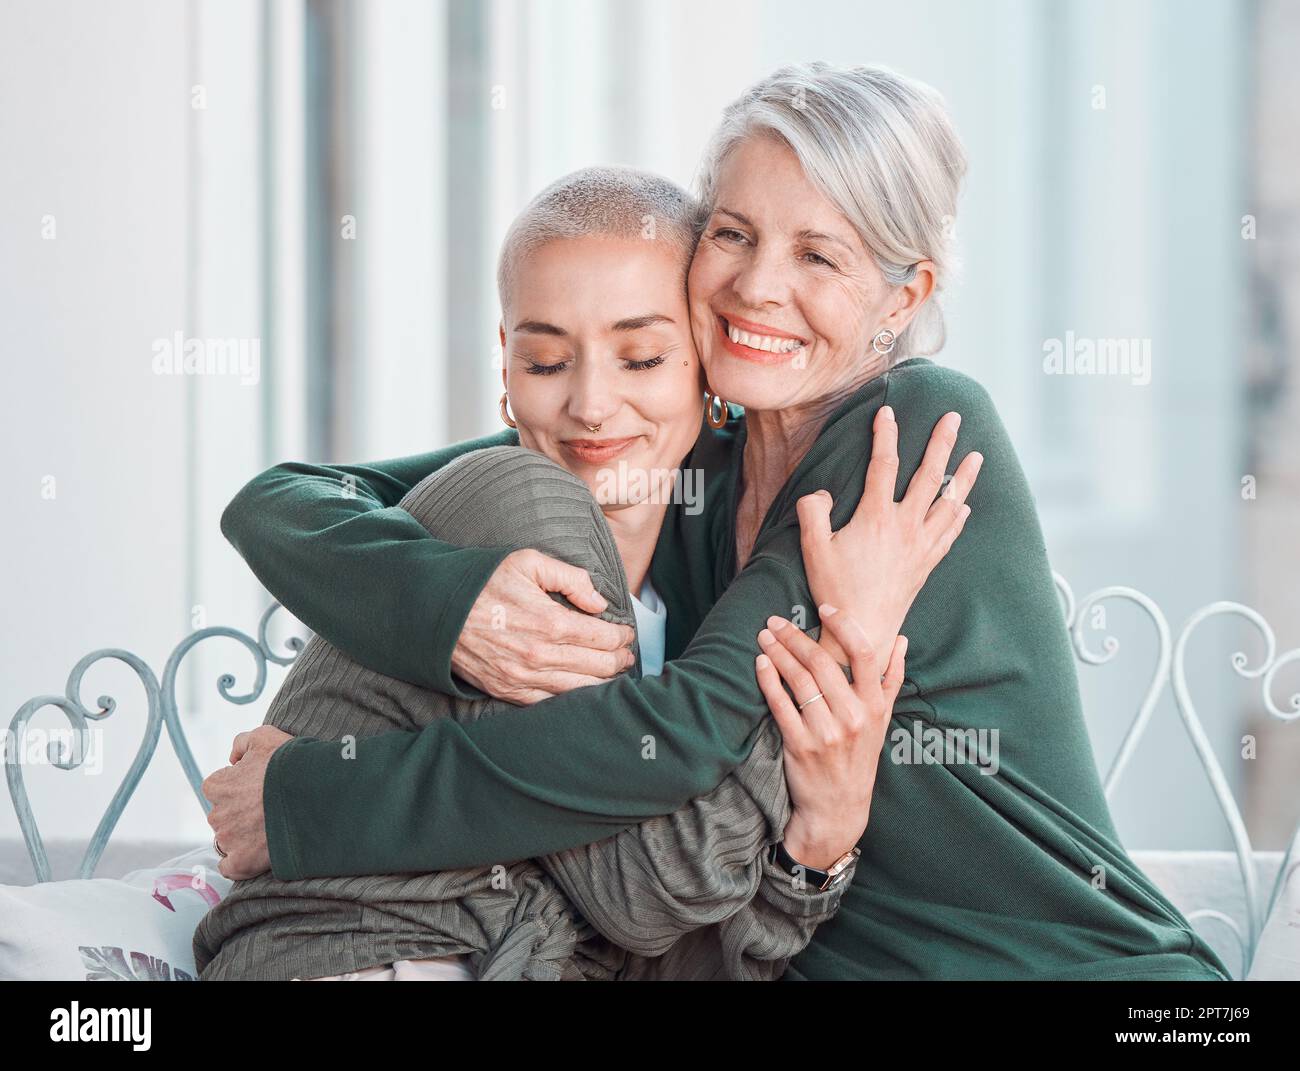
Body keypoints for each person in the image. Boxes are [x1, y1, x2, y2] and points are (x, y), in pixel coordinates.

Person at [204, 62, 1229, 980]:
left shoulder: (909, 427)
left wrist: (309, 801)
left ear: (900, 293)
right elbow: (284, 500)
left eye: (818, 257)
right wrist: (457, 607)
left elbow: (683, 733)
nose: (756, 285)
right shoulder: (686, 454)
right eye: (733, 234)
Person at [194, 167, 966, 981]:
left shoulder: (696, 579)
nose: (592, 405)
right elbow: (653, 892)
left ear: (705, 360)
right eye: (546, 361)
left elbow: (667, 953)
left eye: (640, 357)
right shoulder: (522, 505)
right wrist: (449, 604)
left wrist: (823, 841)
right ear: (506, 366)